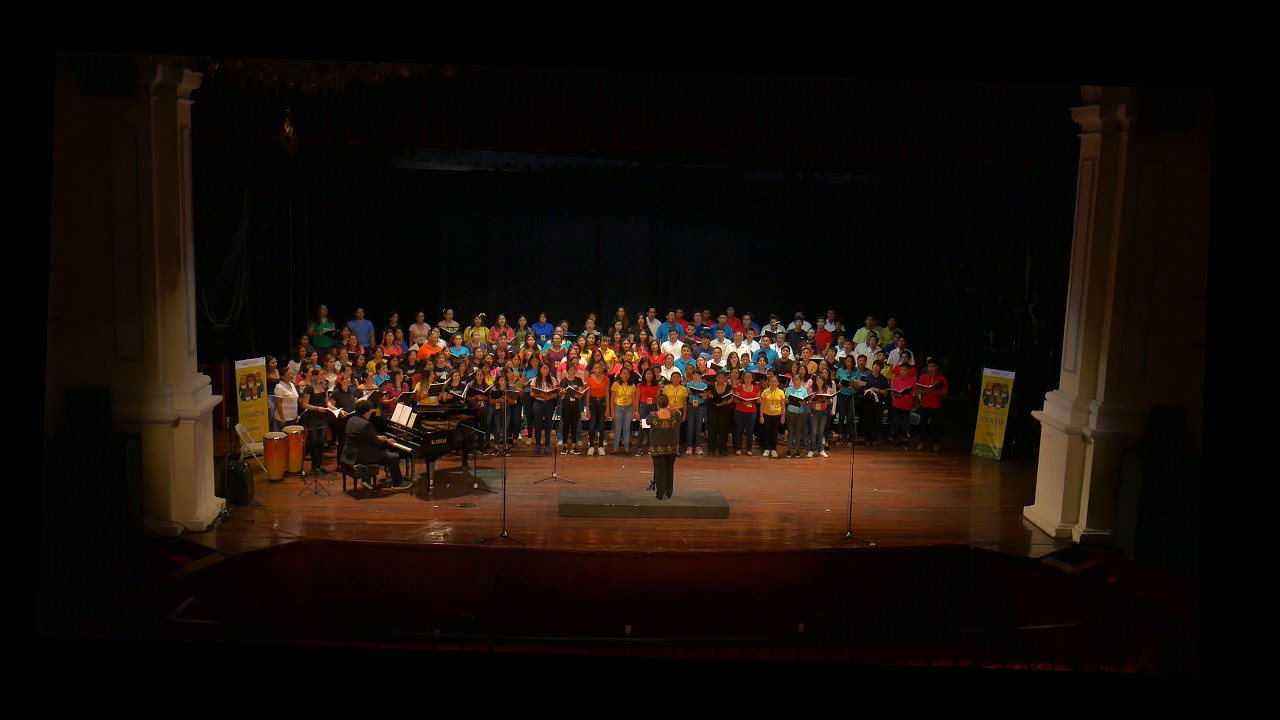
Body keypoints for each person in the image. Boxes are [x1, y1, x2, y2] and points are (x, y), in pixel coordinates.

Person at [345, 400, 411, 489]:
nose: (370, 413)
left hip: (351, 453)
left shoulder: (352, 420)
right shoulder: (367, 424)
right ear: (365, 412)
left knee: (383, 451)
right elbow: (375, 442)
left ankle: (366, 479)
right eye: (369, 411)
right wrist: (386, 441)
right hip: (362, 455)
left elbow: (366, 437)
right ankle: (397, 483)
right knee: (393, 458)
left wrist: (377, 437)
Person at [298, 368, 336, 477]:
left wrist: (332, 408)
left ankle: (319, 464)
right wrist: (316, 408)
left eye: (324, 374)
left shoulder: (324, 386)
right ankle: (314, 466)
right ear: (315, 376)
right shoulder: (309, 388)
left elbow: (326, 401)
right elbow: (305, 404)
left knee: (320, 442)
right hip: (312, 418)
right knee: (314, 442)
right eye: (321, 374)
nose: (324, 376)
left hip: (323, 417)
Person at [648, 394, 681, 500]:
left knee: (659, 469)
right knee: (669, 468)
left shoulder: (653, 415)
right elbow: (680, 413)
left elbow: (647, 422)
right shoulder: (675, 415)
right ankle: (669, 490)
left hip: (657, 447)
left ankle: (660, 493)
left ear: (657, 404)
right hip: (672, 447)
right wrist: (670, 406)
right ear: (668, 404)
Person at [914, 358, 948, 451]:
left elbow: (945, 392)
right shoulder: (923, 377)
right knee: (923, 425)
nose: (930, 368)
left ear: (937, 367)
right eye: (929, 366)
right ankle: (921, 442)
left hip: (937, 405)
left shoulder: (942, 378)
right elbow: (919, 390)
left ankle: (935, 443)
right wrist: (926, 390)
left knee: (935, 426)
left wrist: (936, 391)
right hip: (925, 405)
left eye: (932, 366)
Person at [860, 360, 891, 446]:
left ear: (881, 368)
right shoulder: (867, 377)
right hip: (868, 401)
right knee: (867, 419)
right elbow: (864, 389)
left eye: (878, 366)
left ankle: (874, 438)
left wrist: (877, 390)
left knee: (877, 420)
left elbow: (886, 393)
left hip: (879, 402)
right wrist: (868, 391)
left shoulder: (883, 379)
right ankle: (867, 438)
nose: (876, 367)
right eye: (875, 365)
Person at [608, 366, 638, 455]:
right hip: (618, 407)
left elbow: (634, 399)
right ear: (620, 375)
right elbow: (612, 399)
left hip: (629, 407)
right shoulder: (616, 384)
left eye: (627, 374)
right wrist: (612, 411)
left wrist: (634, 411)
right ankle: (615, 448)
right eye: (624, 374)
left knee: (627, 428)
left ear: (629, 375)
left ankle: (626, 448)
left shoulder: (632, 385)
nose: (625, 376)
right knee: (618, 428)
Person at [557, 363, 586, 455]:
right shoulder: (564, 381)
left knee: (574, 425)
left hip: (576, 405)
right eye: (570, 370)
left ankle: (574, 445)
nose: (572, 372)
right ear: (567, 371)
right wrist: (562, 392)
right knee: (566, 425)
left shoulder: (578, 380)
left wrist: (579, 395)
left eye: (574, 370)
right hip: (566, 404)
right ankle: (565, 445)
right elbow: (561, 395)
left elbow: (580, 393)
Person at [584, 361, 611, 455]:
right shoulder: (590, 380)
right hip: (592, 403)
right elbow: (587, 396)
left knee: (602, 426)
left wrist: (608, 409)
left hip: (602, 403)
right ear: (593, 369)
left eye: (600, 368)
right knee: (591, 425)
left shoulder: (606, 379)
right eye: (596, 368)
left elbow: (607, 394)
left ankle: (600, 446)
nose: (598, 370)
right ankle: (591, 445)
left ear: (602, 368)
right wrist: (587, 409)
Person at [733, 372, 761, 456]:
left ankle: (749, 449)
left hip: (752, 411)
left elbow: (758, 399)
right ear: (743, 379)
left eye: (749, 377)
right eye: (746, 377)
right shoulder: (739, 387)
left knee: (750, 430)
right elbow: (736, 399)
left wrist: (758, 401)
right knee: (739, 430)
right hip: (740, 410)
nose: (748, 379)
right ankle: (738, 448)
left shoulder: (756, 388)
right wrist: (742, 402)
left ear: (752, 379)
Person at [684, 368, 711, 455]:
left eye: (698, 375)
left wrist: (704, 396)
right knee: (690, 427)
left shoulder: (703, 385)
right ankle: (689, 446)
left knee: (698, 427)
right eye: (695, 375)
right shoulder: (688, 385)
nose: (696, 377)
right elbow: (686, 397)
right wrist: (689, 394)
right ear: (692, 375)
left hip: (700, 407)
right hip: (691, 406)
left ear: (700, 376)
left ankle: (698, 446)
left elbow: (705, 397)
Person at [759, 374, 787, 459]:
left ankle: (773, 449)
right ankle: (767, 448)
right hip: (767, 414)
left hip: (777, 415)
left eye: (775, 381)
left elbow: (783, 405)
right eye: (771, 381)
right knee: (766, 432)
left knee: (775, 432)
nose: (773, 383)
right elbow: (762, 405)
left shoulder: (781, 392)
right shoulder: (765, 392)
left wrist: (783, 416)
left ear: (778, 383)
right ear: (768, 382)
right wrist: (761, 416)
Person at [636, 367, 661, 456]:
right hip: (643, 406)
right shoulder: (639, 385)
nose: (649, 375)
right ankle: (639, 448)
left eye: (650, 374)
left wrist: (659, 410)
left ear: (653, 375)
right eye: (647, 374)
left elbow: (658, 399)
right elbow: (637, 399)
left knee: (652, 428)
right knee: (642, 427)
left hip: (653, 406)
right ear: (644, 375)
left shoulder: (657, 385)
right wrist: (637, 411)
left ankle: (651, 447)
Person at [808, 372, 834, 458]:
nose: (819, 382)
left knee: (820, 432)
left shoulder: (827, 390)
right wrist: (816, 401)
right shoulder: (812, 390)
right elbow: (809, 402)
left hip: (823, 412)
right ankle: (812, 449)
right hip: (814, 412)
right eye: (817, 380)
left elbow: (830, 402)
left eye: (821, 380)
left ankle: (821, 449)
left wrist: (827, 401)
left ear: (823, 381)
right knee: (814, 432)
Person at [782, 373, 809, 458]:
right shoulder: (789, 389)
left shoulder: (804, 390)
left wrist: (803, 403)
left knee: (798, 432)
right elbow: (784, 401)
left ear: (801, 381)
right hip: (790, 412)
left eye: (798, 380)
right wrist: (790, 400)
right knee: (790, 431)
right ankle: (789, 449)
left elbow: (805, 402)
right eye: (794, 380)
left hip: (799, 413)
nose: (796, 381)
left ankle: (796, 449)